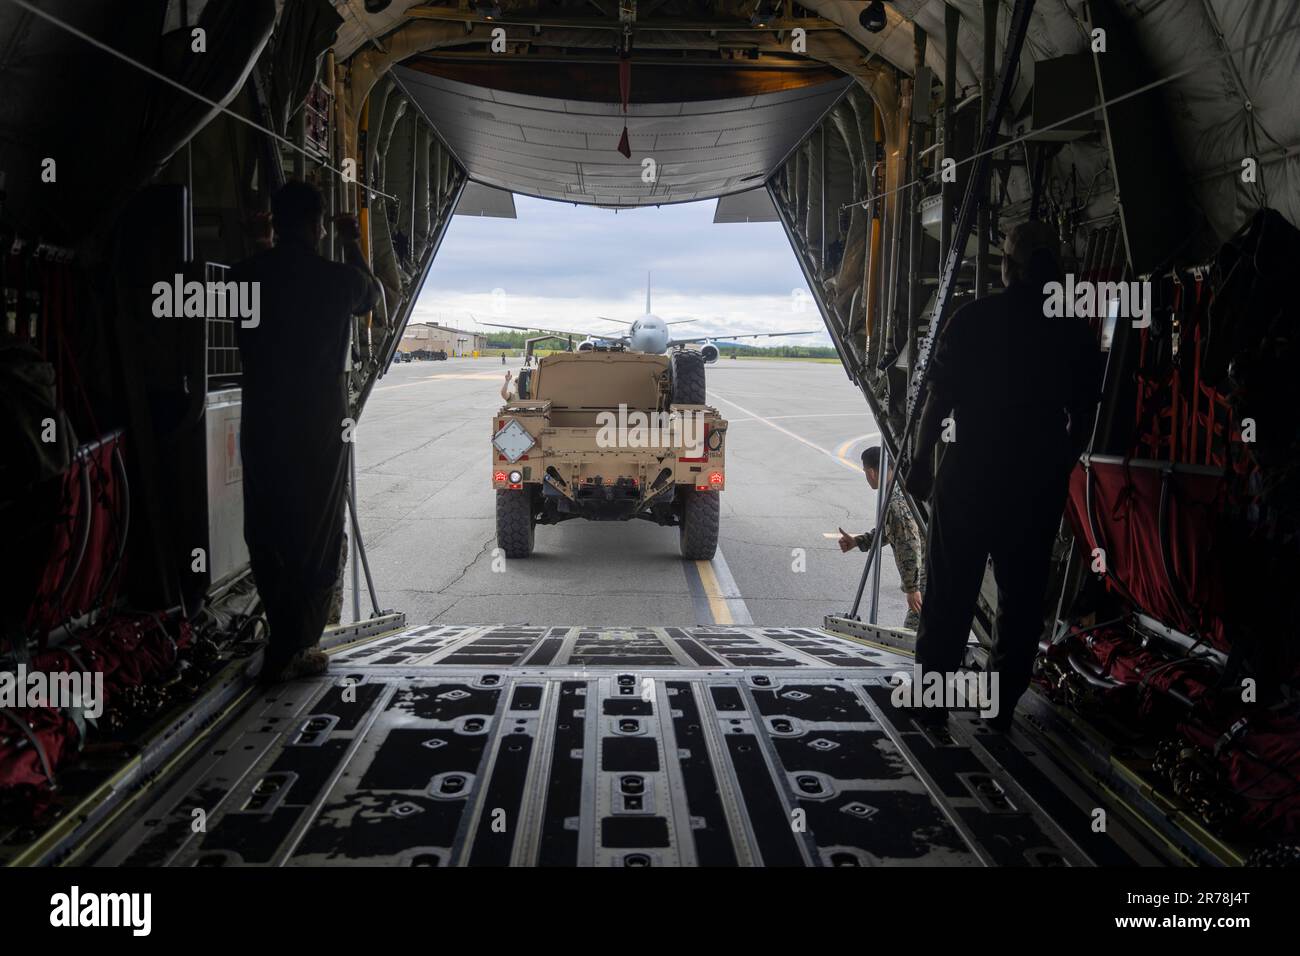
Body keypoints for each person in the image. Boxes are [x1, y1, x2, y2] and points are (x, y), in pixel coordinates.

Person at [903, 220, 1103, 730]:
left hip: (969, 475)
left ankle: (931, 708)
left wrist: (922, 464)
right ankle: (1001, 710)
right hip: (1033, 485)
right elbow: (1085, 419)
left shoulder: (972, 320)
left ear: (1006, 267)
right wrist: (1056, 464)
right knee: (1020, 602)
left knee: (950, 594)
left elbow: (937, 400)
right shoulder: (1073, 331)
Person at [231, 181, 381, 682]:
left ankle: (282, 636)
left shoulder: (246, 276)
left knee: (268, 524)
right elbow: (373, 293)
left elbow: (257, 294)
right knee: (315, 531)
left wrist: (257, 244)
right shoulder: (338, 280)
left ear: (273, 220)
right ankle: (302, 643)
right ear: (319, 225)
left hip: (265, 420)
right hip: (320, 423)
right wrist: (351, 240)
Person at [838, 446, 925, 628]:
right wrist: (858, 541)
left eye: (865, 472)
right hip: (929, 573)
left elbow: (909, 544)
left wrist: (912, 588)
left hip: (926, 577)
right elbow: (889, 531)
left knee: (914, 634)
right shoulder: (900, 488)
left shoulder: (895, 502)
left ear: (871, 472)